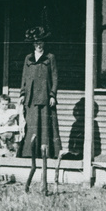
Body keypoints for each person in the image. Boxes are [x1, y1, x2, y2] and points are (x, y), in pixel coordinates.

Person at [18, 26, 61, 189]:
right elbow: (24, 77)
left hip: (45, 97)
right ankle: (29, 153)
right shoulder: (28, 58)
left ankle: (48, 153)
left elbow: (55, 77)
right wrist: (22, 93)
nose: (39, 45)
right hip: (30, 97)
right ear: (33, 44)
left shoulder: (50, 58)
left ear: (44, 42)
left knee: (44, 126)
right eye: (36, 43)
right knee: (31, 125)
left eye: (41, 42)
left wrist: (52, 95)